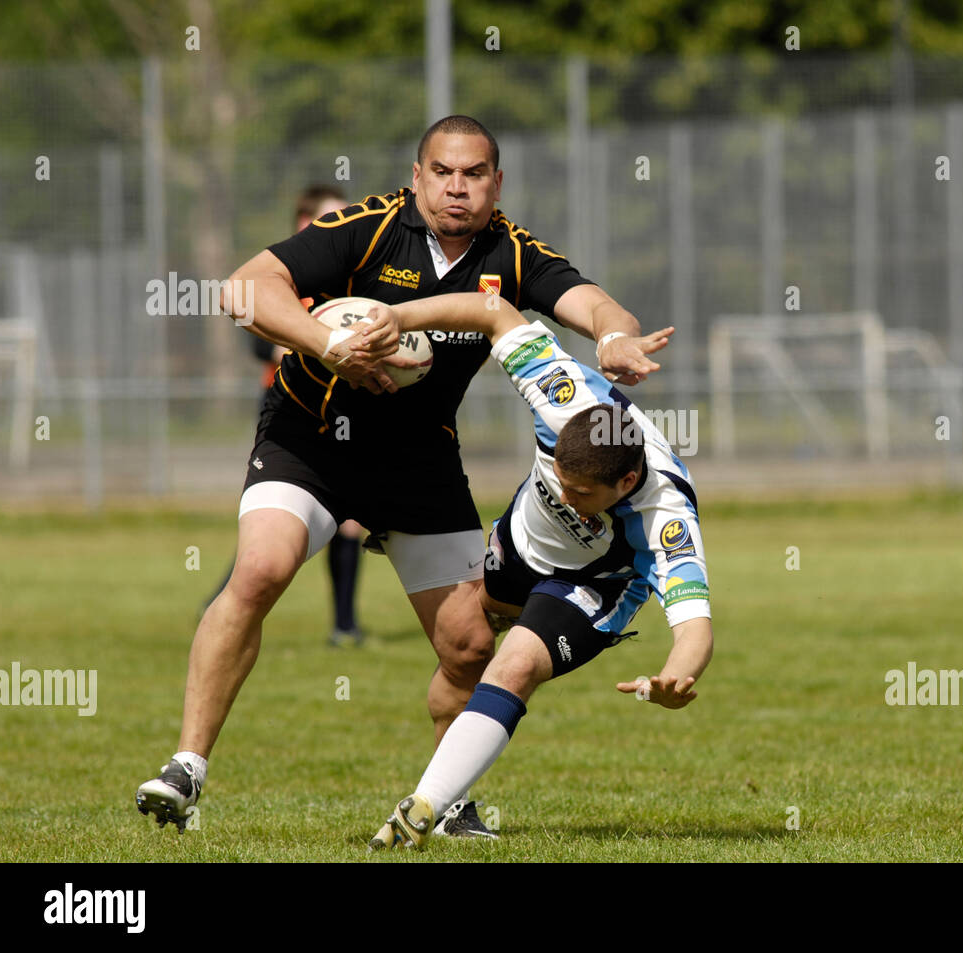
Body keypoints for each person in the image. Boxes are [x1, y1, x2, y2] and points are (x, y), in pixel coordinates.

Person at [135, 115, 668, 837]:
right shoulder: (369, 228)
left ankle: (445, 802)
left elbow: (596, 304)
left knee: (469, 645)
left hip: (419, 460)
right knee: (261, 568)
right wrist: (330, 344)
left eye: (473, 174)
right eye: (442, 173)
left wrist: (613, 335)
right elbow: (242, 288)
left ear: (496, 183)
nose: (457, 188)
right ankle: (186, 768)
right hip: (311, 441)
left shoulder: (512, 254)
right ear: (417, 177)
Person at [349, 292, 711, 846]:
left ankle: (422, 809)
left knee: (513, 666)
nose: (567, 495)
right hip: (517, 546)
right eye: (561, 480)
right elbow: (492, 311)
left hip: (592, 586)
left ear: (627, 484)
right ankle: (456, 807)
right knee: (465, 651)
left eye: (581, 493)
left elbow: (695, 627)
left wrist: (677, 676)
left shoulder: (665, 513)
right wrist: (399, 317)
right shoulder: (561, 394)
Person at [203, 185, 368, 647]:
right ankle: (225, 600)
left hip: (344, 410)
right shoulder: (287, 272)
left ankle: (345, 625)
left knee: (349, 518)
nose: (342, 225)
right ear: (303, 221)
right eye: (331, 217)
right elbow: (252, 328)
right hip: (288, 410)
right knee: (275, 524)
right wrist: (300, 343)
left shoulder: (352, 277)